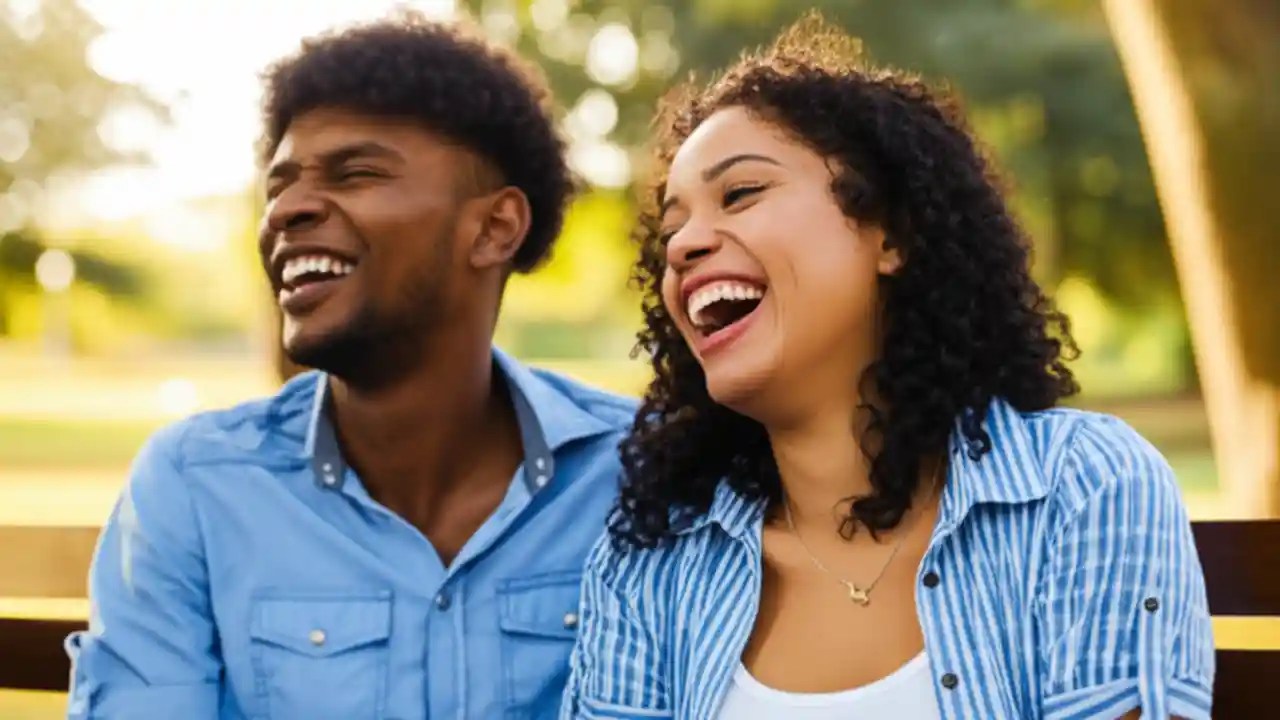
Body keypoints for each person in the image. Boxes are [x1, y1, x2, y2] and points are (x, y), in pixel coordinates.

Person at [561, 15, 1214, 720]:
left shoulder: (1078, 490)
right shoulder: (652, 563)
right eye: (670, 229)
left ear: (892, 235)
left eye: (741, 193)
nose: (684, 244)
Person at [66, 13, 634, 720]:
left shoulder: (636, 478)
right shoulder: (195, 487)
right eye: (280, 185)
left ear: (494, 228)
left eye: (356, 173)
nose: (289, 210)